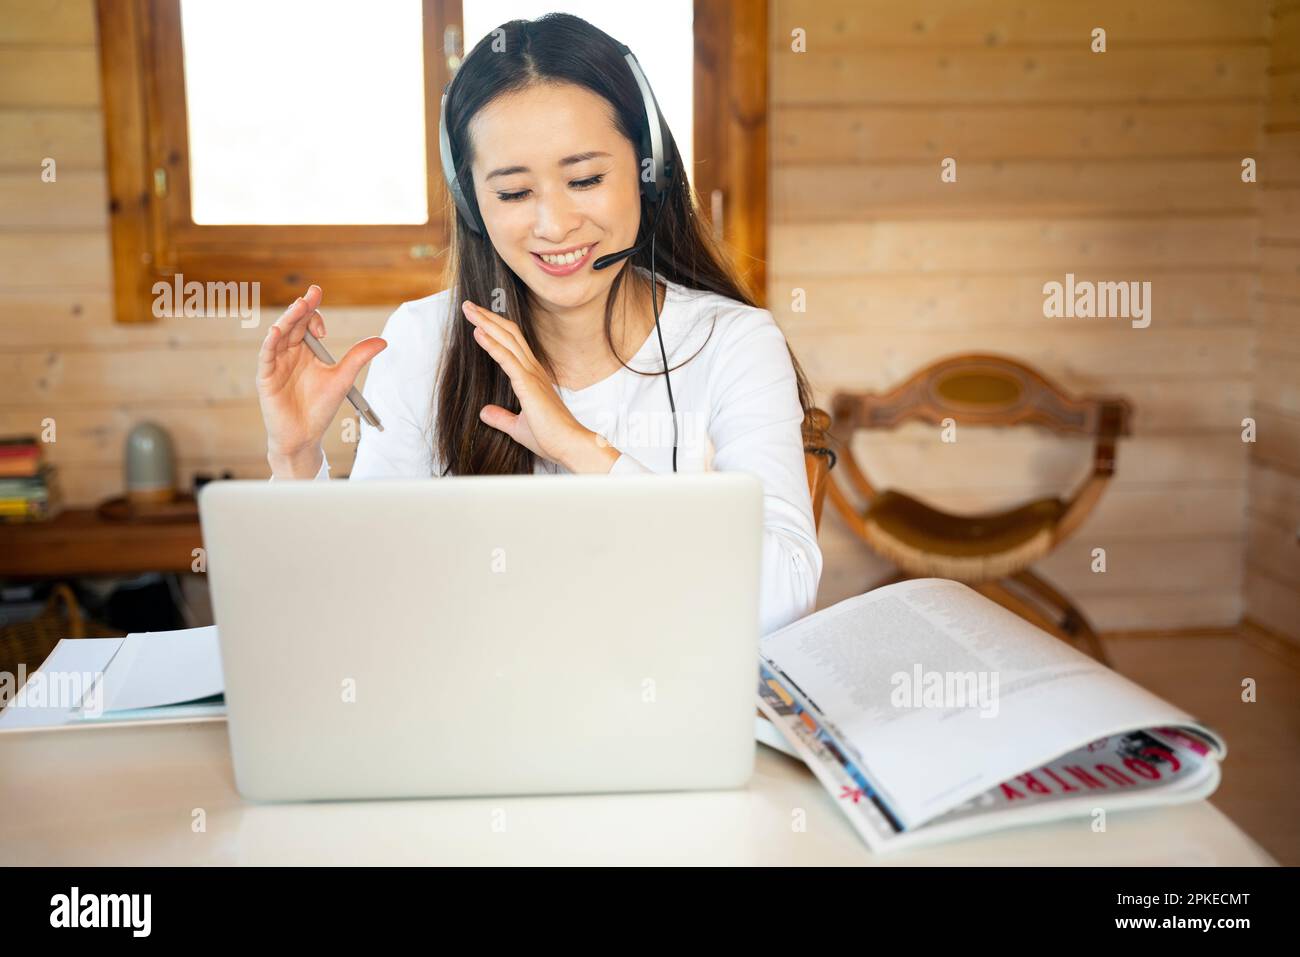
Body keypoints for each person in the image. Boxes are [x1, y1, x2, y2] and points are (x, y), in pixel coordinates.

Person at [254, 13, 822, 634]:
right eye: (514, 194)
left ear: (646, 167)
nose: (554, 226)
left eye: (584, 179)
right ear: (472, 202)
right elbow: (360, 604)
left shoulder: (733, 343)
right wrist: (296, 459)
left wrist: (581, 449)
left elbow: (784, 595)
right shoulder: (421, 342)